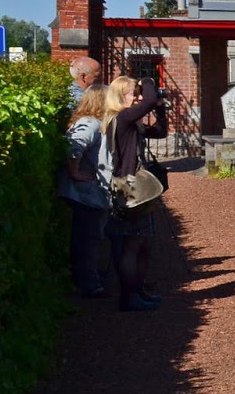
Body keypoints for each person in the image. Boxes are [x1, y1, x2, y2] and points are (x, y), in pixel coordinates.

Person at [102, 75, 168, 311]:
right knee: (132, 243)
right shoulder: (121, 117)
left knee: (143, 243)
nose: (139, 97)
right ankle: (129, 296)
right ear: (121, 96)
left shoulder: (128, 121)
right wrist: (148, 80)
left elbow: (160, 133)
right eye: (133, 93)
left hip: (134, 184)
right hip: (128, 185)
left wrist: (161, 111)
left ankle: (137, 291)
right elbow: (149, 100)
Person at [58, 82, 111, 298]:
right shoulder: (89, 123)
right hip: (84, 194)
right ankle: (89, 284)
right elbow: (74, 147)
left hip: (88, 193)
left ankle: (91, 278)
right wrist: (75, 173)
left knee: (90, 237)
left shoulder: (92, 122)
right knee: (87, 238)